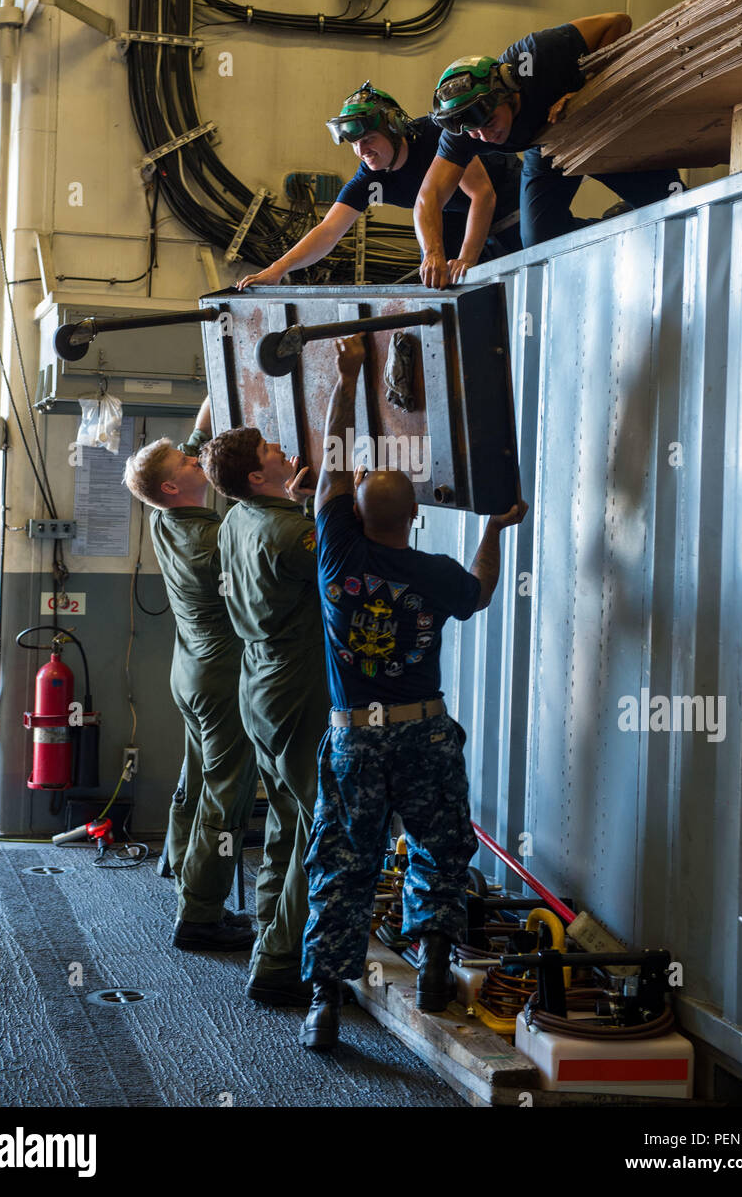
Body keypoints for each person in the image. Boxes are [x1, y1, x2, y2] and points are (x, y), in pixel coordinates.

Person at [298, 335, 524, 1051]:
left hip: (353, 736)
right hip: (422, 729)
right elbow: (481, 592)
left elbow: (334, 456)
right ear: (412, 519)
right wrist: (493, 528)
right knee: (437, 845)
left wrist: (347, 376)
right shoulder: (432, 571)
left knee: (343, 860)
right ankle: (430, 964)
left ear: (355, 513)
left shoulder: (338, 549)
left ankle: (324, 1004)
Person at [122, 398, 257, 952]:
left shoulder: (164, 517)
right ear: (174, 487)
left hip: (190, 673)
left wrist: (216, 391)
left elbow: (200, 436)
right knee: (227, 796)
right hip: (222, 677)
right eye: (187, 464)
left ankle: (179, 864)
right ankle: (200, 913)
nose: (196, 460)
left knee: (198, 776)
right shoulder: (213, 542)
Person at [199, 430, 327, 1007]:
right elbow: (341, 563)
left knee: (284, 820)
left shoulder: (236, 521)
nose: (285, 451)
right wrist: (321, 507)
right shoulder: (295, 533)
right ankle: (279, 963)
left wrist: (298, 503)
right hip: (298, 684)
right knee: (321, 825)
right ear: (256, 476)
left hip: (257, 685)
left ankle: (271, 944)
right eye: (273, 452)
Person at [416, 13, 682, 285]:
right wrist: (434, 253)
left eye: (490, 122)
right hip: (546, 144)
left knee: (672, 205)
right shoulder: (465, 128)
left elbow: (618, 22)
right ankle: (620, 224)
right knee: (539, 241)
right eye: (475, 132)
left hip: (596, 129)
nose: (484, 137)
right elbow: (430, 195)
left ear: (506, 92)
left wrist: (590, 88)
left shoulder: (535, 56)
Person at [237, 82, 521, 291]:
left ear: (395, 129)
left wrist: (467, 259)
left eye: (369, 139)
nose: (362, 151)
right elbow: (328, 231)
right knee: (436, 278)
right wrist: (277, 269)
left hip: (508, 200)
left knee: (531, 261)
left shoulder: (438, 136)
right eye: (355, 145)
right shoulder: (369, 179)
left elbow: (483, 194)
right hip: (454, 213)